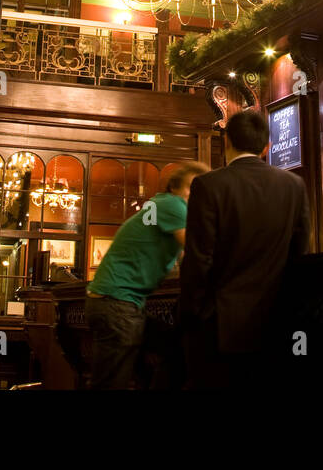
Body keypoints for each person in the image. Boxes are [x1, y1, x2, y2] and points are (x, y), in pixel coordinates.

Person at [179, 108, 310, 389]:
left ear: (227, 143)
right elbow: (300, 254)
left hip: (220, 326)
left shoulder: (208, 185)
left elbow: (199, 258)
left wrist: (192, 315)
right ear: (267, 147)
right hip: (275, 323)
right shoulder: (293, 185)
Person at [85, 162, 208, 389]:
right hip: (117, 303)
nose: (196, 193)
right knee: (111, 384)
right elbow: (198, 251)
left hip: (114, 302)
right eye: (192, 187)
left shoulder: (162, 207)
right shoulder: (173, 204)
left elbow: (185, 259)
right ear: (175, 188)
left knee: (174, 348)